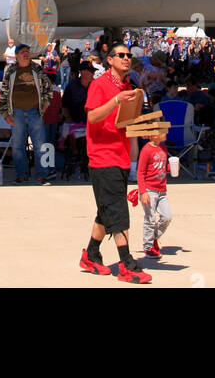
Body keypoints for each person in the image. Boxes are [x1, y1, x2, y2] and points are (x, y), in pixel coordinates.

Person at [79, 42, 152, 284]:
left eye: (128, 55)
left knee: (106, 211)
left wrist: (140, 128)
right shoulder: (100, 85)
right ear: (109, 60)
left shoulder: (127, 87)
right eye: (120, 55)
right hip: (102, 157)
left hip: (120, 156)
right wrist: (117, 101)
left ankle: (90, 255)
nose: (126, 58)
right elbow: (92, 117)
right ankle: (126, 263)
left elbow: (124, 123)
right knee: (118, 212)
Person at [0, 44, 56, 184]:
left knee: (40, 145)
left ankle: (42, 175)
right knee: (18, 146)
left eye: (28, 52)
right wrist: (5, 114)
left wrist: (44, 106)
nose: (26, 54)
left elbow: (48, 90)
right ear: (17, 56)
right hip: (16, 113)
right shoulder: (11, 71)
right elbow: (3, 94)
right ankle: (22, 175)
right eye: (23, 52)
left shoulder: (37, 69)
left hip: (35, 112)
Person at [138, 125, 171, 258]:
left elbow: (163, 167)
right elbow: (140, 172)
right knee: (150, 219)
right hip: (149, 190)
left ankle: (154, 238)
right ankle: (148, 246)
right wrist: (143, 191)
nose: (166, 133)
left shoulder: (163, 148)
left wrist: (171, 168)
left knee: (167, 216)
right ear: (154, 135)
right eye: (163, 132)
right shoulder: (146, 150)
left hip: (162, 189)